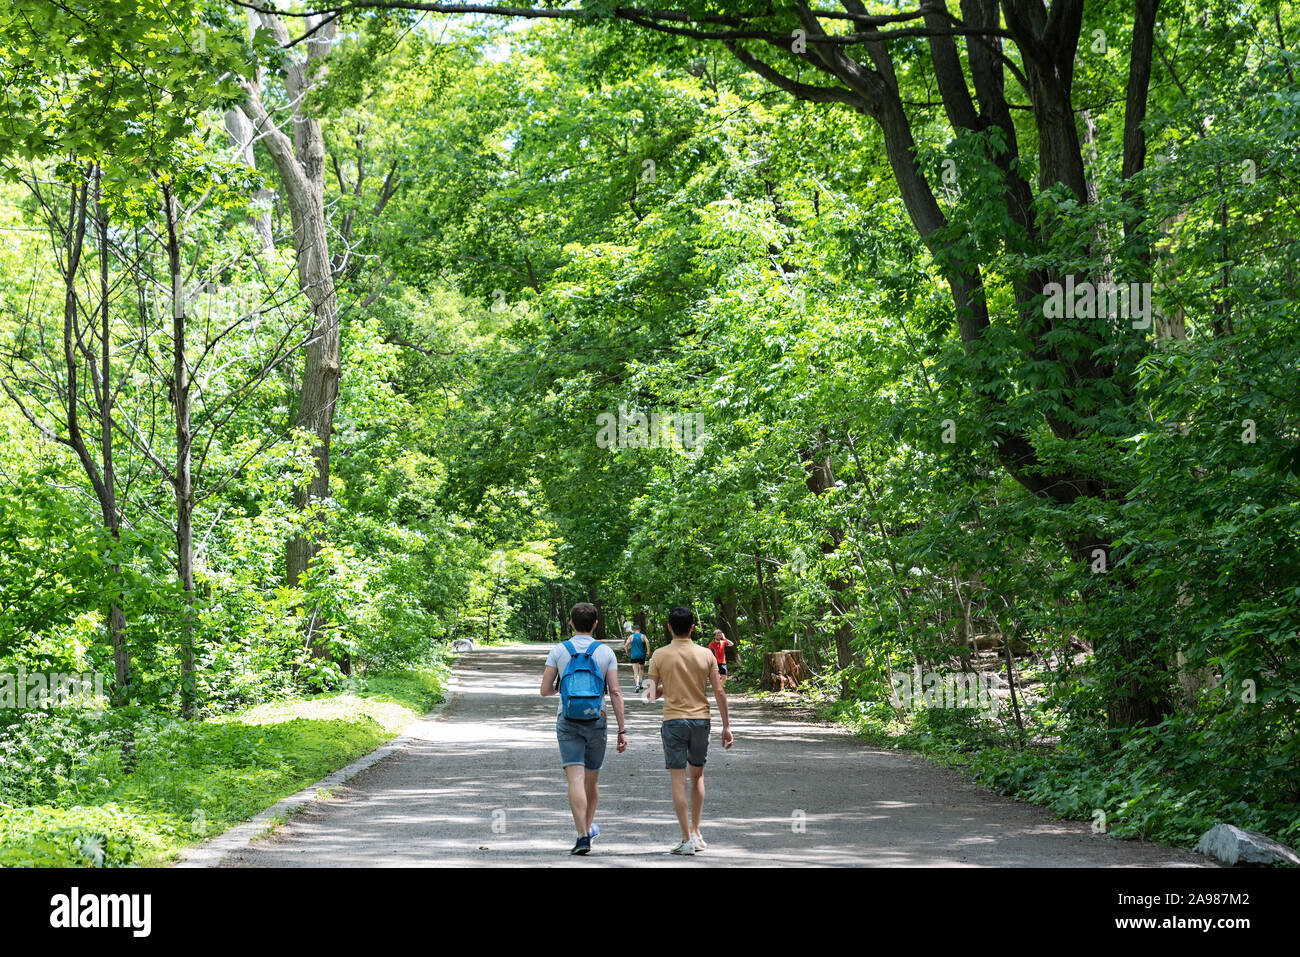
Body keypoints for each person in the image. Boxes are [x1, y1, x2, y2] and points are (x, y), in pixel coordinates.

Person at [645, 606, 733, 855]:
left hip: (673, 721)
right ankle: (696, 832)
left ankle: (685, 840)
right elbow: (718, 691)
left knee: (677, 778)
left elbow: (651, 695)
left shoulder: (660, 655)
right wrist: (726, 726)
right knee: (697, 777)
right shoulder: (706, 654)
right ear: (692, 627)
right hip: (700, 721)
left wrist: (665, 688)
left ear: (670, 627)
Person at [540, 602, 626, 855]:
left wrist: (562, 689)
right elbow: (616, 692)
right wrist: (622, 730)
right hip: (597, 720)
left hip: (567, 719)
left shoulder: (559, 650)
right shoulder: (605, 652)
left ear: (571, 623)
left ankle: (581, 836)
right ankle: (588, 829)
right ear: (596, 624)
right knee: (592, 779)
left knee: (575, 779)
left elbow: (545, 690)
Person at [622, 621, 649, 692]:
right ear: (639, 630)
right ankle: (640, 683)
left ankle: (637, 685)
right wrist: (648, 651)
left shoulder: (631, 637)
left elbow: (625, 645)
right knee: (642, 669)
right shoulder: (643, 636)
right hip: (642, 655)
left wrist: (627, 652)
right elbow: (647, 642)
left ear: (634, 630)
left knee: (635, 671)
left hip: (633, 656)